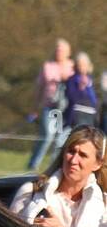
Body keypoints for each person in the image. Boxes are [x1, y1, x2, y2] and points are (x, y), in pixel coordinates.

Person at [27, 38, 74, 171]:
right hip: (48, 107)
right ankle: (33, 164)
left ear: (68, 52)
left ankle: (54, 167)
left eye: (62, 50)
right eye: (57, 49)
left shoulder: (72, 67)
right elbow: (39, 88)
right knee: (47, 136)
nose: (59, 52)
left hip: (64, 109)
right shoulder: (48, 66)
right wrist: (34, 108)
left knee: (59, 138)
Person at [64, 52, 99, 131]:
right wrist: (81, 88)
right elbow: (71, 96)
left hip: (90, 115)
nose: (81, 67)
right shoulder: (71, 80)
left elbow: (94, 100)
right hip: (76, 115)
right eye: (79, 64)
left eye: (84, 65)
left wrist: (89, 86)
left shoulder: (91, 79)